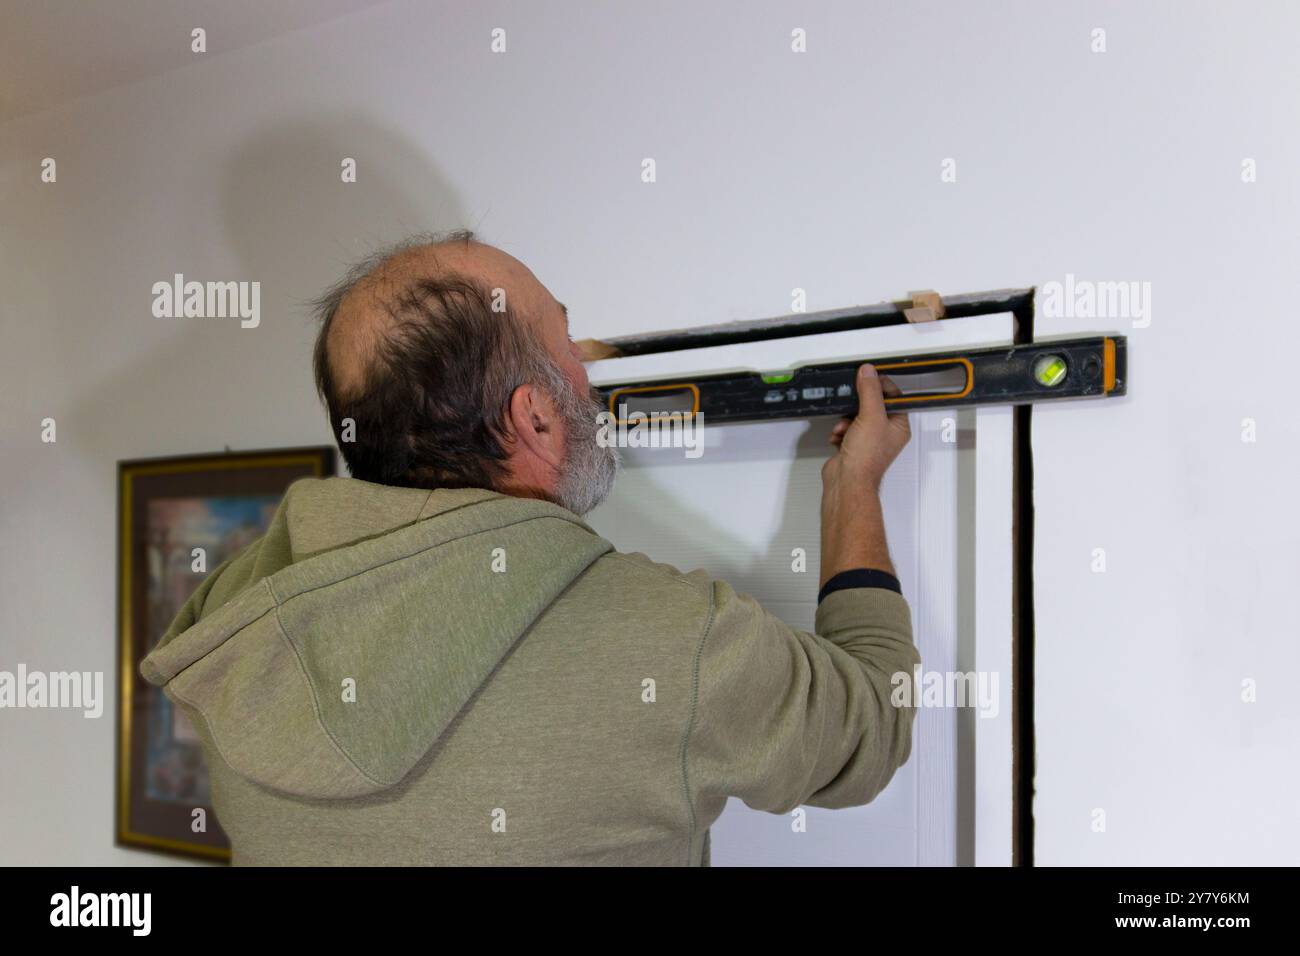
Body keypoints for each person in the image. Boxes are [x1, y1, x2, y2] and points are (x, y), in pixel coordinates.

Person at [140, 230, 921, 866]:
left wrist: (563, 377)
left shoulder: (233, 618)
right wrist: (854, 488)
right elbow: (871, 730)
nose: (588, 366)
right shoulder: (672, 641)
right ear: (536, 421)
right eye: (567, 346)